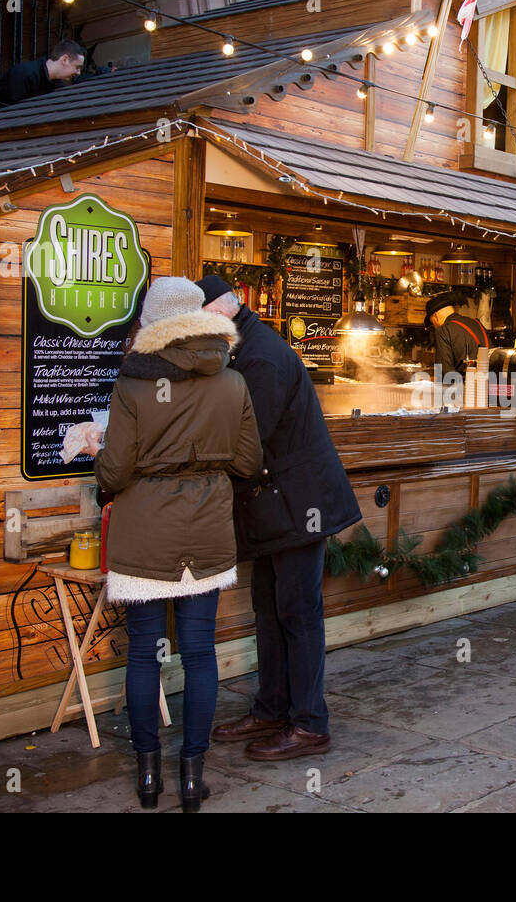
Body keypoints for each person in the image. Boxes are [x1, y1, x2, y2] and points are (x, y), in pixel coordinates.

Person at [89, 276, 262, 812]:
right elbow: (248, 462)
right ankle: (192, 775)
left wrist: (101, 465)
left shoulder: (135, 383)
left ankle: (147, 774)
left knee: (144, 654)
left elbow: (114, 469)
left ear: (152, 324)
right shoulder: (231, 380)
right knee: (200, 652)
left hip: (145, 529)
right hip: (208, 527)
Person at [199, 275, 363, 760]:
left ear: (223, 310)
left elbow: (248, 439)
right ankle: (272, 707)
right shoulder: (240, 348)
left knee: (298, 612)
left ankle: (310, 723)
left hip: (298, 505)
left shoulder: (263, 357)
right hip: (273, 507)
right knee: (269, 610)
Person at [0, 39, 85, 104]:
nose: (78, 73)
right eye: (77, 67)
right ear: (65, 59)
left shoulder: (57, 85)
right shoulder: (24, 73)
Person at [426, 292, 490, 378]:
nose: (435, 327)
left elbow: (444, 372)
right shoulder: (477, 323)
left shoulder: (444, 330)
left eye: (432, 324)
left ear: (436, 316)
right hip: (488, 385)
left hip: (463, 388)